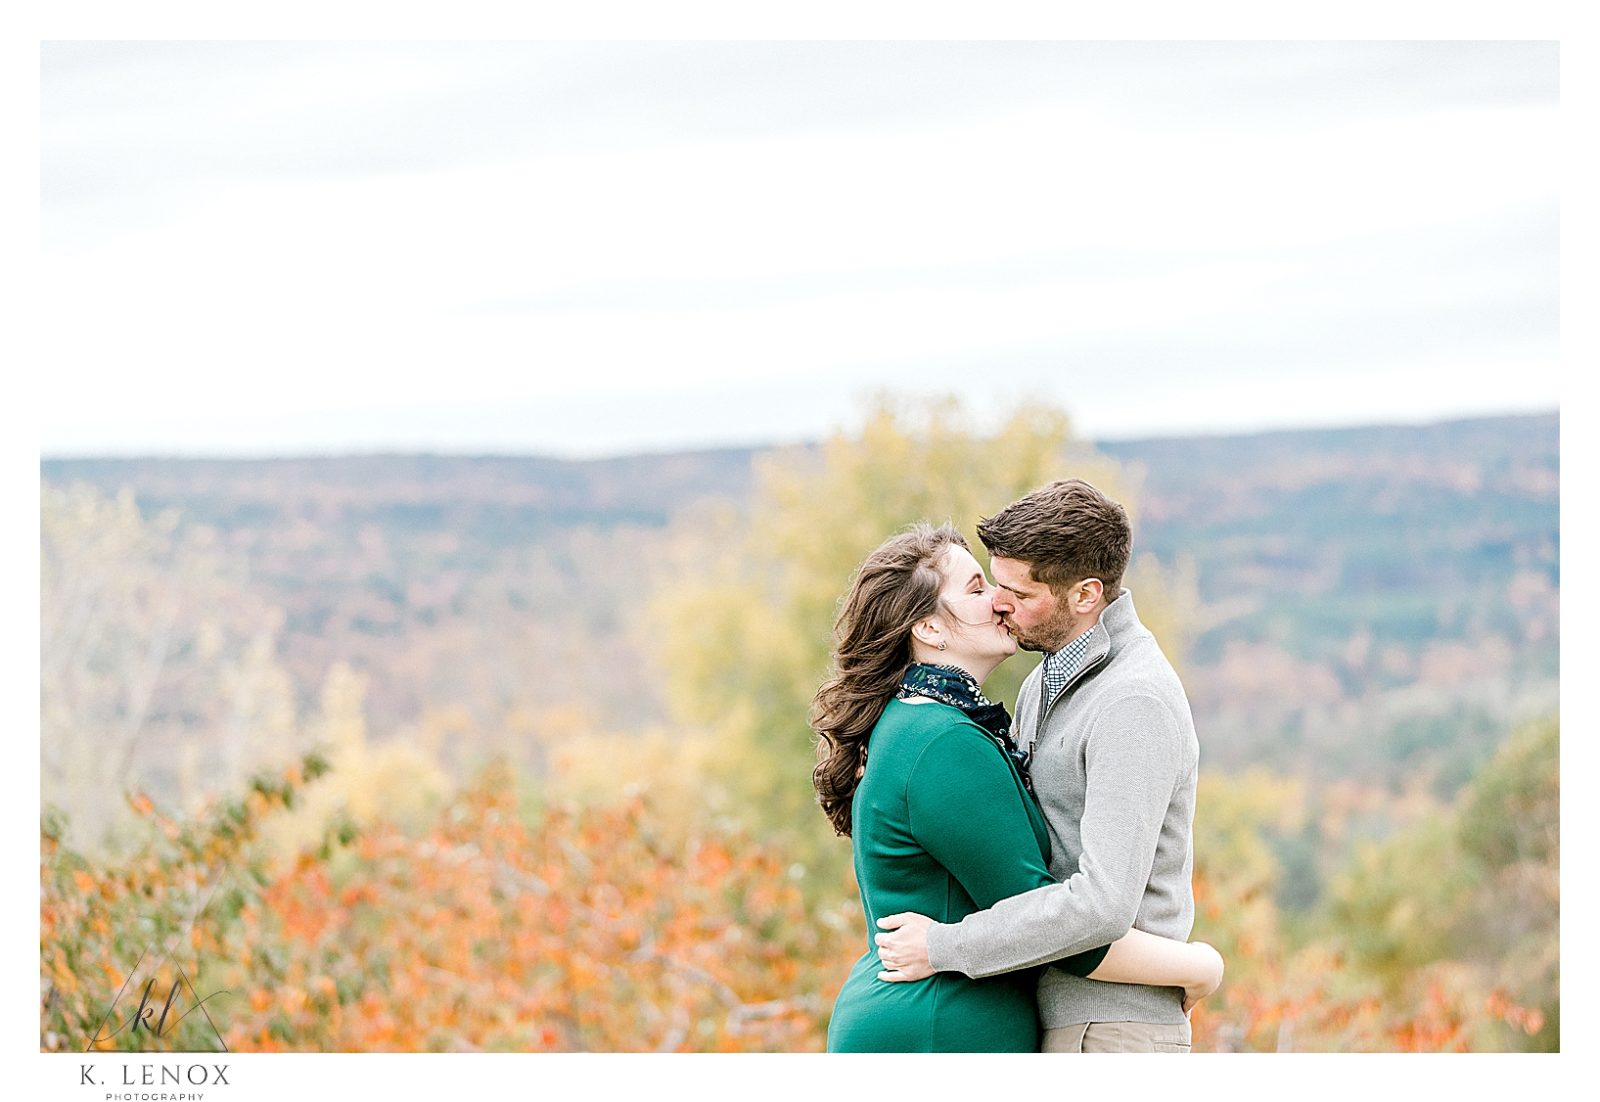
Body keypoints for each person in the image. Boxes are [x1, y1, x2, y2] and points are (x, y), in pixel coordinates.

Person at [816, 521, 1222, 1052]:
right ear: (930, 630)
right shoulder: (944, 742)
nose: (1000, 603)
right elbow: (1062, 928)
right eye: (979, 588)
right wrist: (1199, 965)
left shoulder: (925, 723)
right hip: (941, 1028)